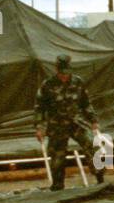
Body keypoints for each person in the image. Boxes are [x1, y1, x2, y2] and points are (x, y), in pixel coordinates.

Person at [35, 54, 104, 190]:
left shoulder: (78, 82)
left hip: (76, 122)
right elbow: (39, 108)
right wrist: (39, 128)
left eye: (66, 73)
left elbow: (86, 103)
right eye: (61, 73)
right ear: (56, 70)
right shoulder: (47, 85)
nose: (64, 76)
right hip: (57, 125)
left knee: (92, 145)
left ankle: (100, 179)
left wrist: (93, 120)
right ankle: (58, 187)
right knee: (57, 157)